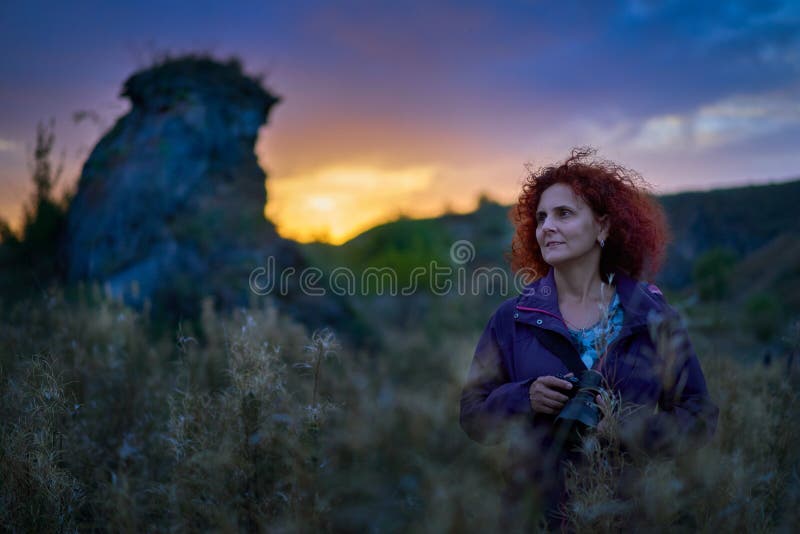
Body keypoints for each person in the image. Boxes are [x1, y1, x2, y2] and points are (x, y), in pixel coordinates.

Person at [459, 148, 718, 531]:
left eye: (564, 214)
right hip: (537, 519)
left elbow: (699, 413)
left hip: (631, 518)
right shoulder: (512, 319)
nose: (547, 226)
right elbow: (473, 416)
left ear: (603, 227)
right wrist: (524, 397)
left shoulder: (652, 316)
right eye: (541, 217)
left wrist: (630, 429)